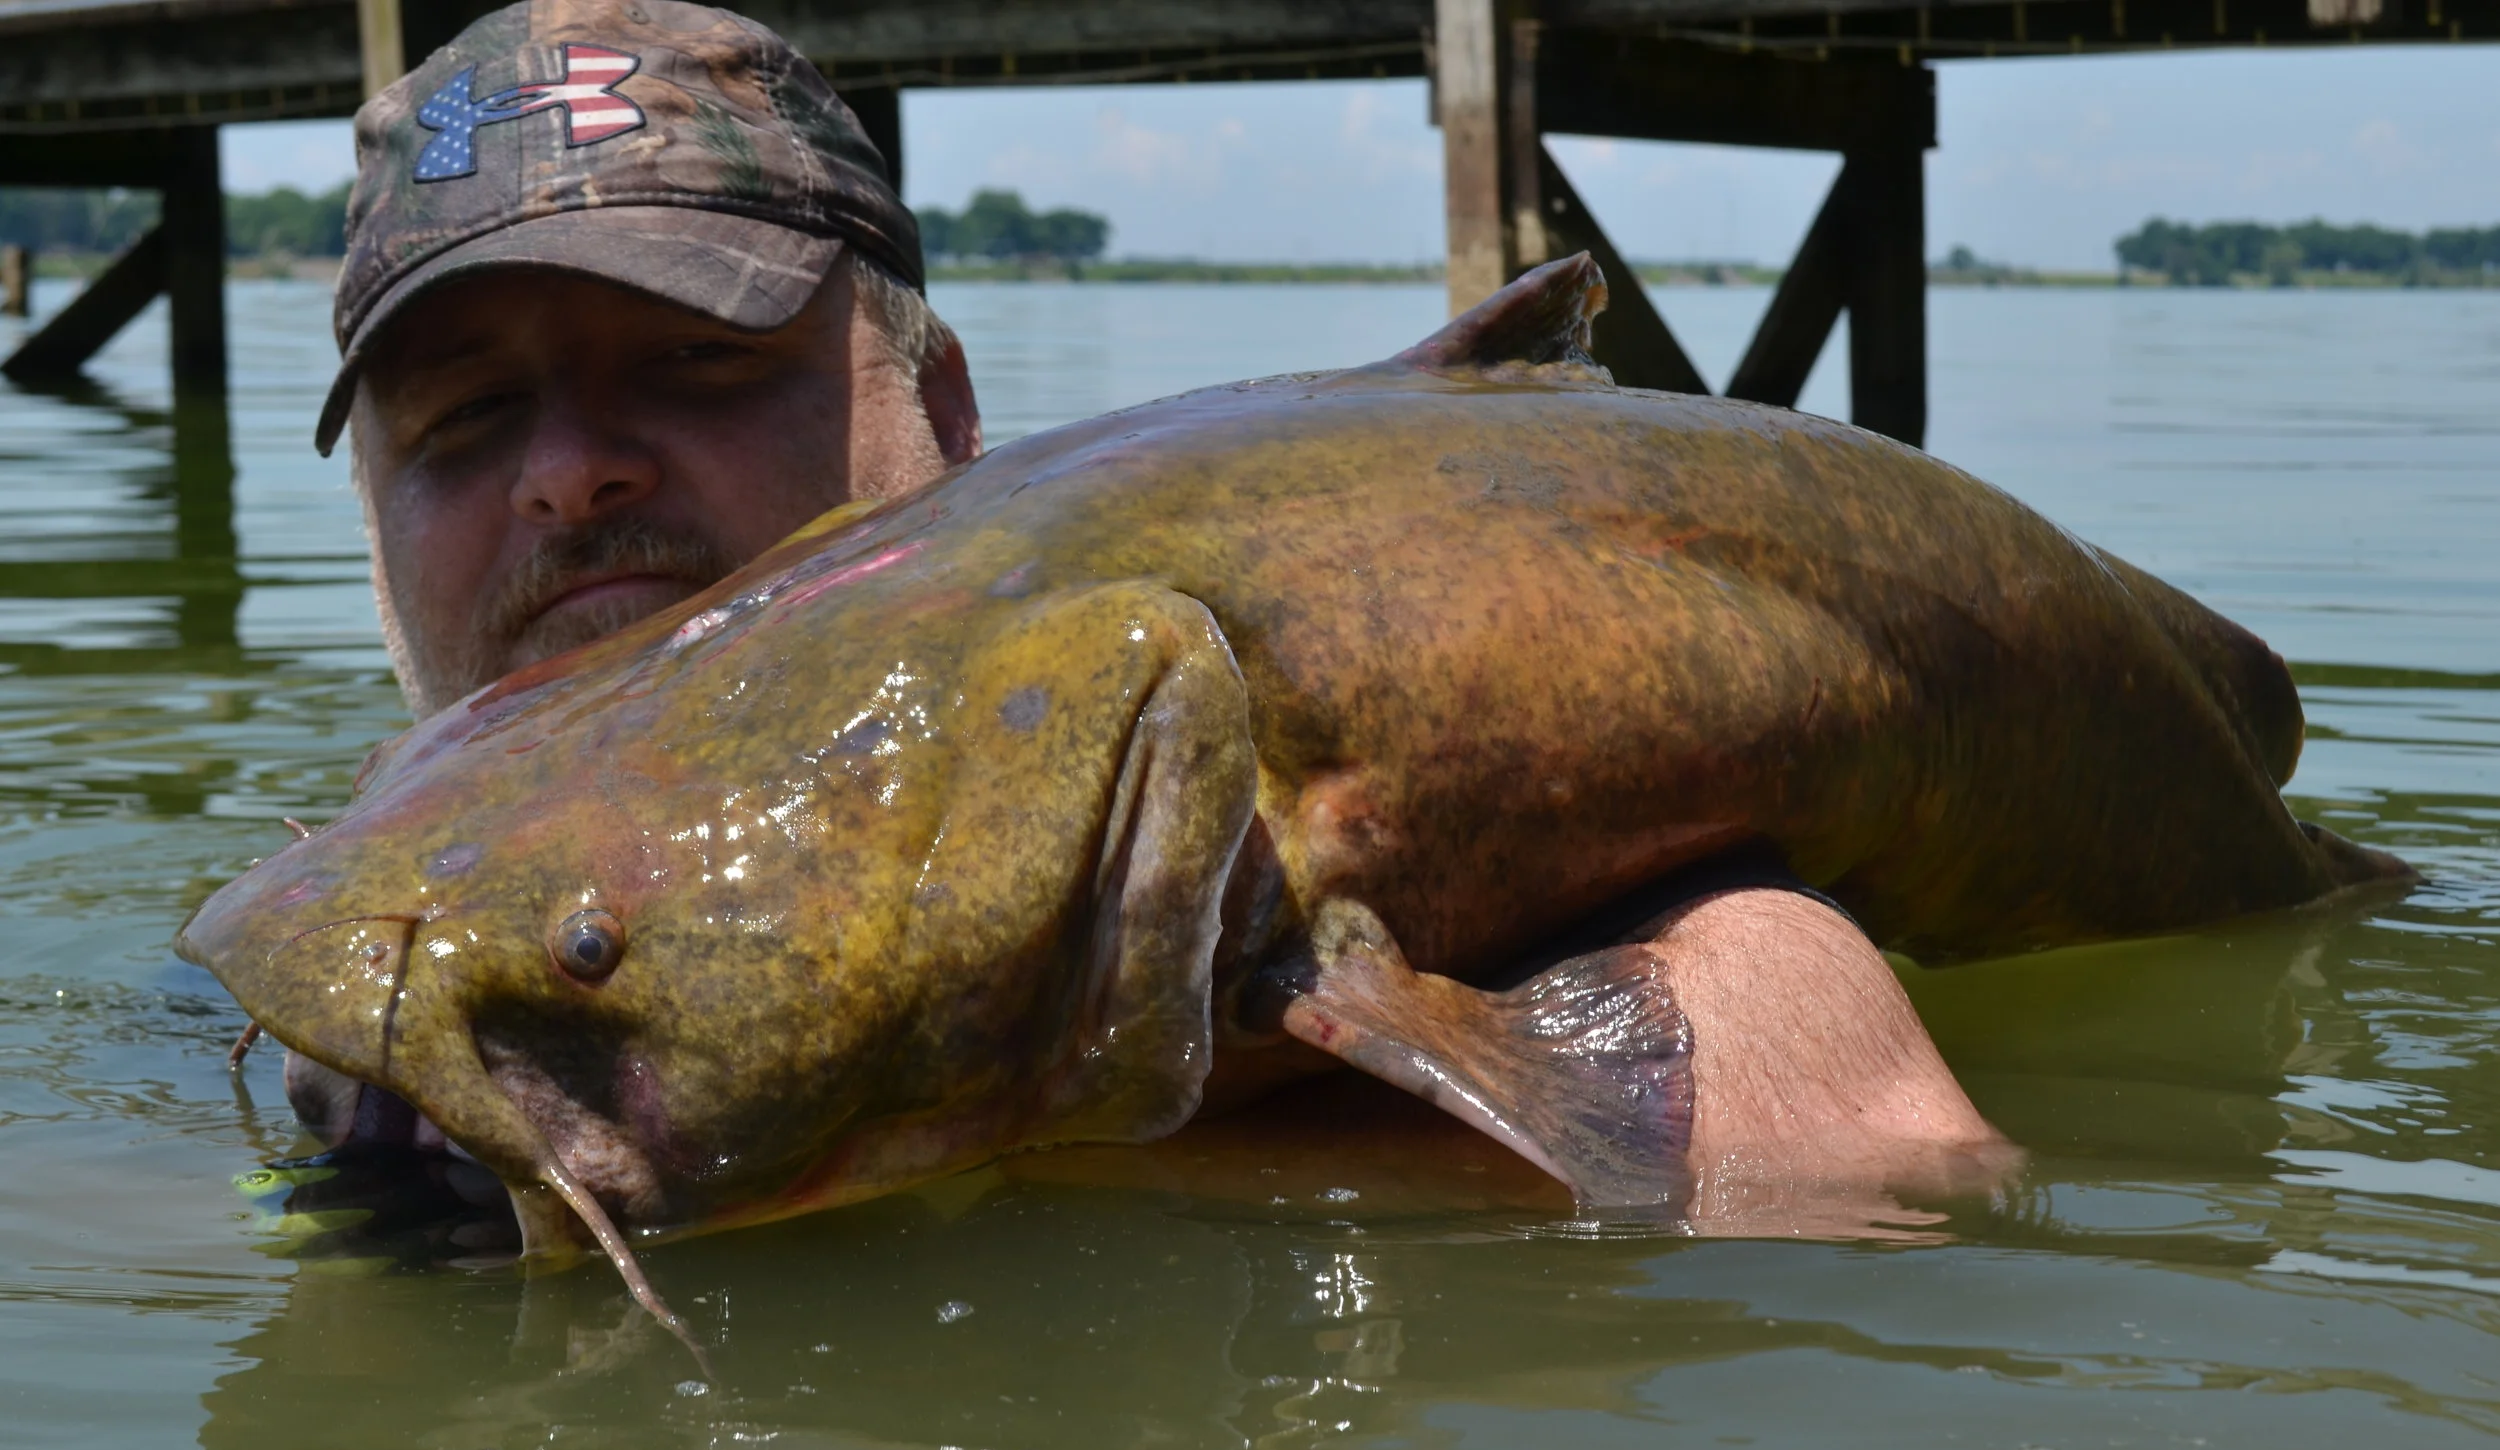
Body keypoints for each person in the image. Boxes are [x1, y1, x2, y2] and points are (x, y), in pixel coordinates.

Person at [295, 0, 2009, 1233]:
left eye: (697, 361)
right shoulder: (329, 953)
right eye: (460, 422)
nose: (572, 474)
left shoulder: (1313, 695)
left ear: (948, 416)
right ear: (372, 534)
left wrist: (916, 1133)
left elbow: (1870, 1149)